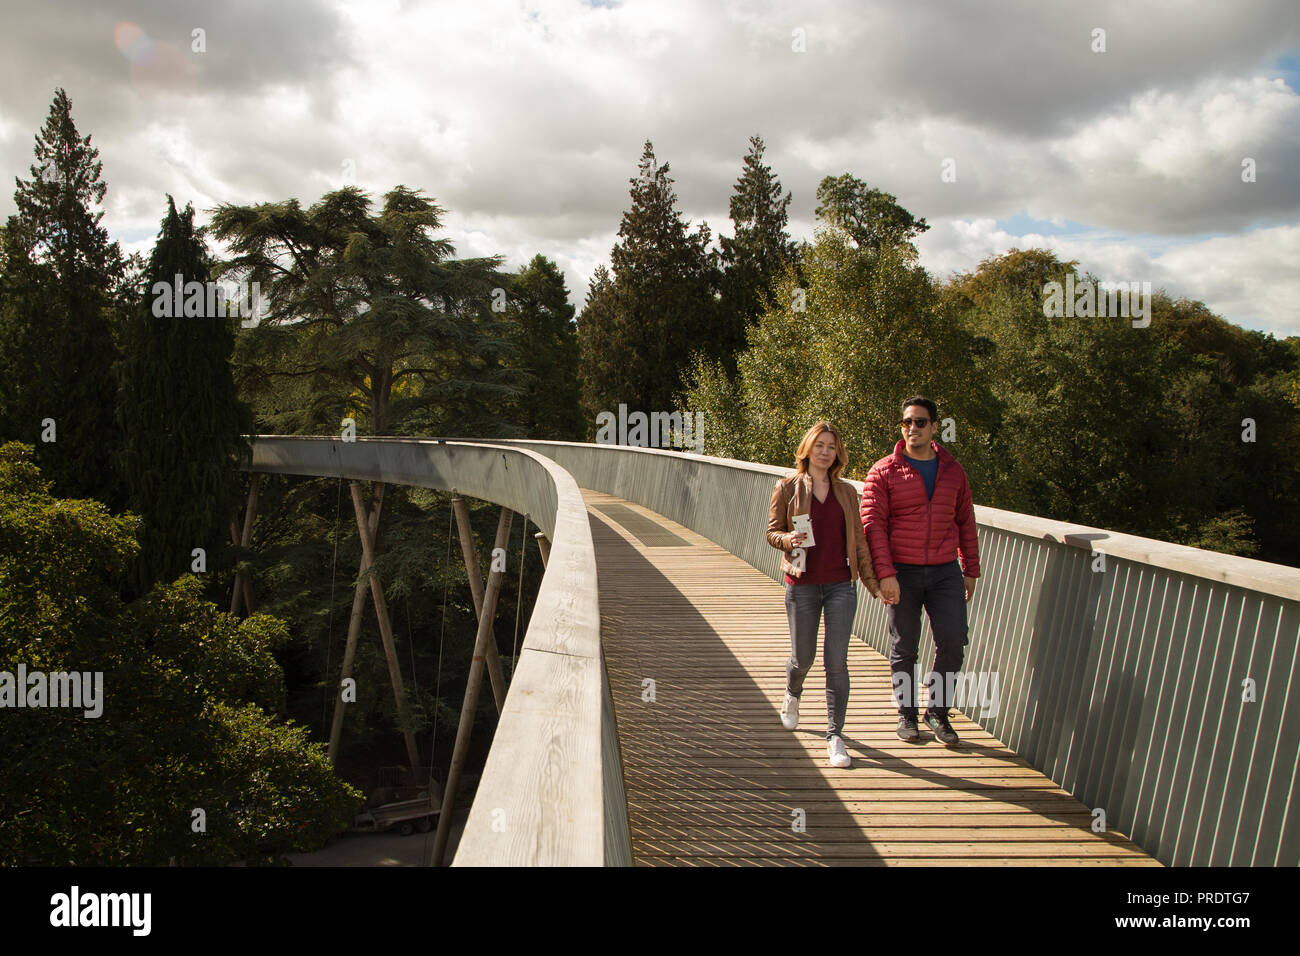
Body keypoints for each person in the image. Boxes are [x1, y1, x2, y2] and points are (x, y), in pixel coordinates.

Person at [861, 396, 980, 746]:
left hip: (945, 572)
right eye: (907, 422)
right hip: (902, 572)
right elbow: (873, 527)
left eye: (920, 422)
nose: (913, 428)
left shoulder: (953, 472)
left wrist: (970, 567)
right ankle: (907, 713)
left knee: (954, 643)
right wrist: (885, 573)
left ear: (934, 427)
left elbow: (965, 521)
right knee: (904, 647)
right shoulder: (883, 471)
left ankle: (937, 712)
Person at [767, 421, 881, 768]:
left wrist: (875, 585)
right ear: (808, 448)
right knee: (803, 658)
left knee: (836, 662)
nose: (825, 451)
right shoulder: (787, 487)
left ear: (837, 454)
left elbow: (860, 541)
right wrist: (788, 540)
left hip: (839, 586)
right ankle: (792, 694)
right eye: (820, 445)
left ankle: (835, 736)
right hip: (801, 584)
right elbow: (772, 532)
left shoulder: (847, 492)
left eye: (831, 446)